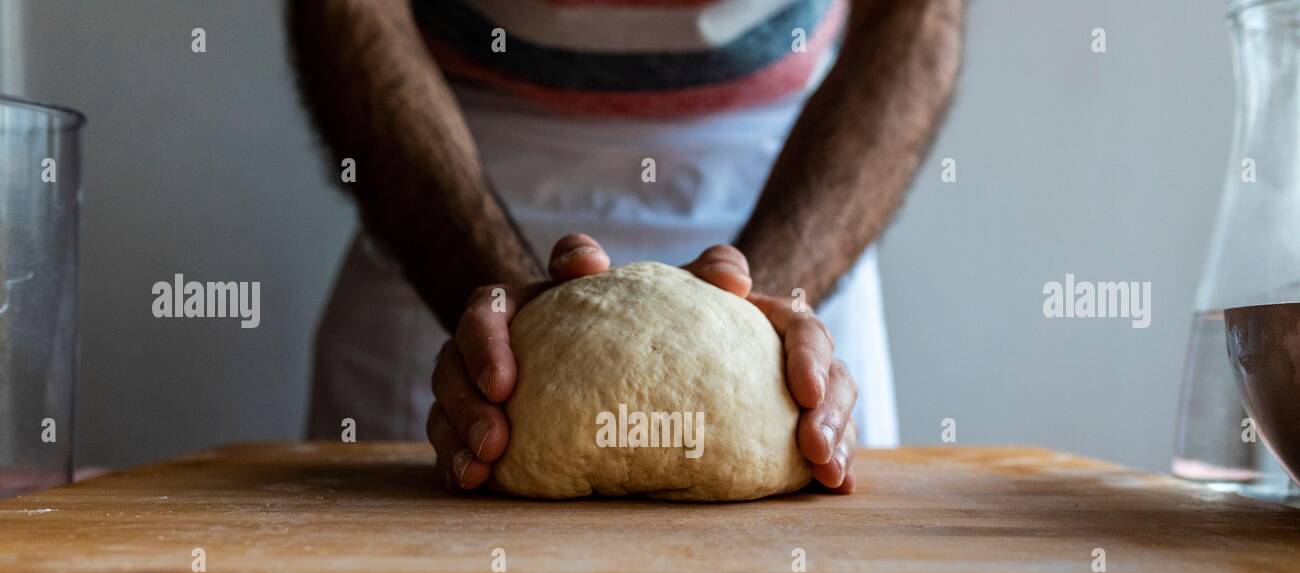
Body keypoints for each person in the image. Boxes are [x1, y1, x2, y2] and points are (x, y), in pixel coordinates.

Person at [288, 0, 963, 493]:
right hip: (447, 174)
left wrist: (759, 329)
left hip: (787, 185)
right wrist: (499, 333)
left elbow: (917, 16)